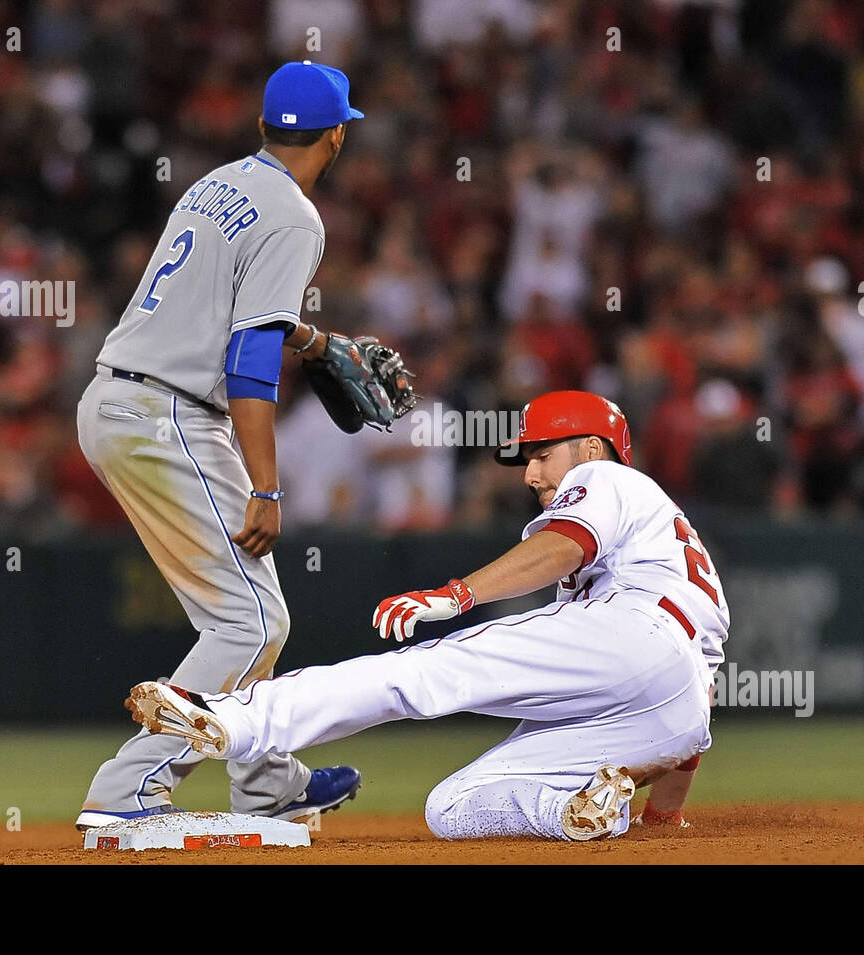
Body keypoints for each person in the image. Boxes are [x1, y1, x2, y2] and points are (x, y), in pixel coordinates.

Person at [126, 391, 730, 840]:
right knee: (454, 808)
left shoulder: (607, 476)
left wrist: (455, 595)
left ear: (592, 447)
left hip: (634, 635)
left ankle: (234, 717)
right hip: (672, 712)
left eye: (542, 453)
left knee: (417, 672)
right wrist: (663, 817)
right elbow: (690, 713)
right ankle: (576, 814)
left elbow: (565, 545)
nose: (531, 473)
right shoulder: (674, 550)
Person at [74, 61, 371, 830]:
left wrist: (308, 337)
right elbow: (246, 359)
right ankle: (128, 785)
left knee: (250, 611)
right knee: (250, 623)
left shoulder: (215, 182)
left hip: (122, 399)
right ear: (336, 135)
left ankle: (268, 780)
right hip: (167, 413)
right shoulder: (298, 217)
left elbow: (218, 306)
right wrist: (267, 487)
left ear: (266, 126)